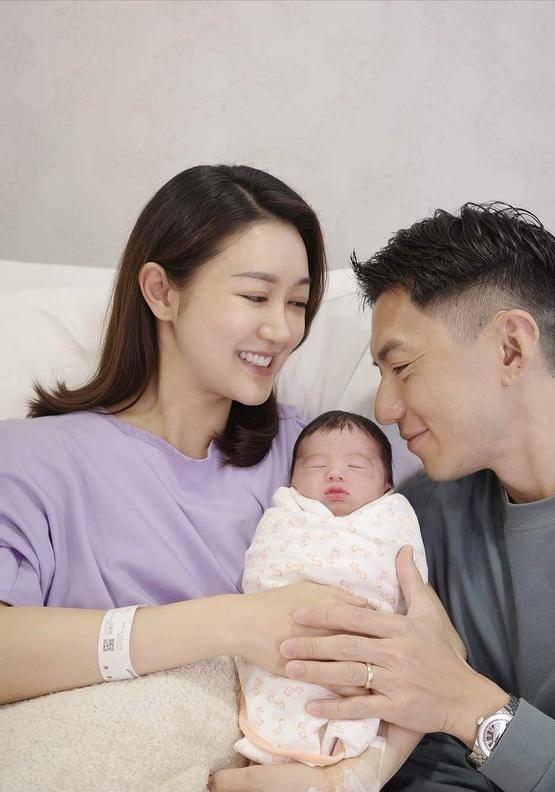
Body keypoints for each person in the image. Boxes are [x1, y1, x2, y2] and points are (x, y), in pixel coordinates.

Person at [0, 164, 424, 792]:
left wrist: (352, 779)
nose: (282, 330)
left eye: (298, 303)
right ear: (161, 293)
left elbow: (423, 640)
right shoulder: (34, 460)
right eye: (256, 297)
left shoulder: (316, 457)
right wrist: (232, 623)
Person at [272, 203, 555, 792]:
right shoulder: (416, 517)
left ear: (511, 349)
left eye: (402, 367)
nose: (384, 408)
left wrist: (470, 707)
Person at [235, 410, 428, 767]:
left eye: (356, 466)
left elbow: (411, 594)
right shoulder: (286, 515)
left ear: (386, 484)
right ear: (293, 479)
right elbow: (262, 571)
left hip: (365, 654)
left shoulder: (392, 516)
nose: (335, 473)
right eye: (316, 465)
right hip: (286, 643)